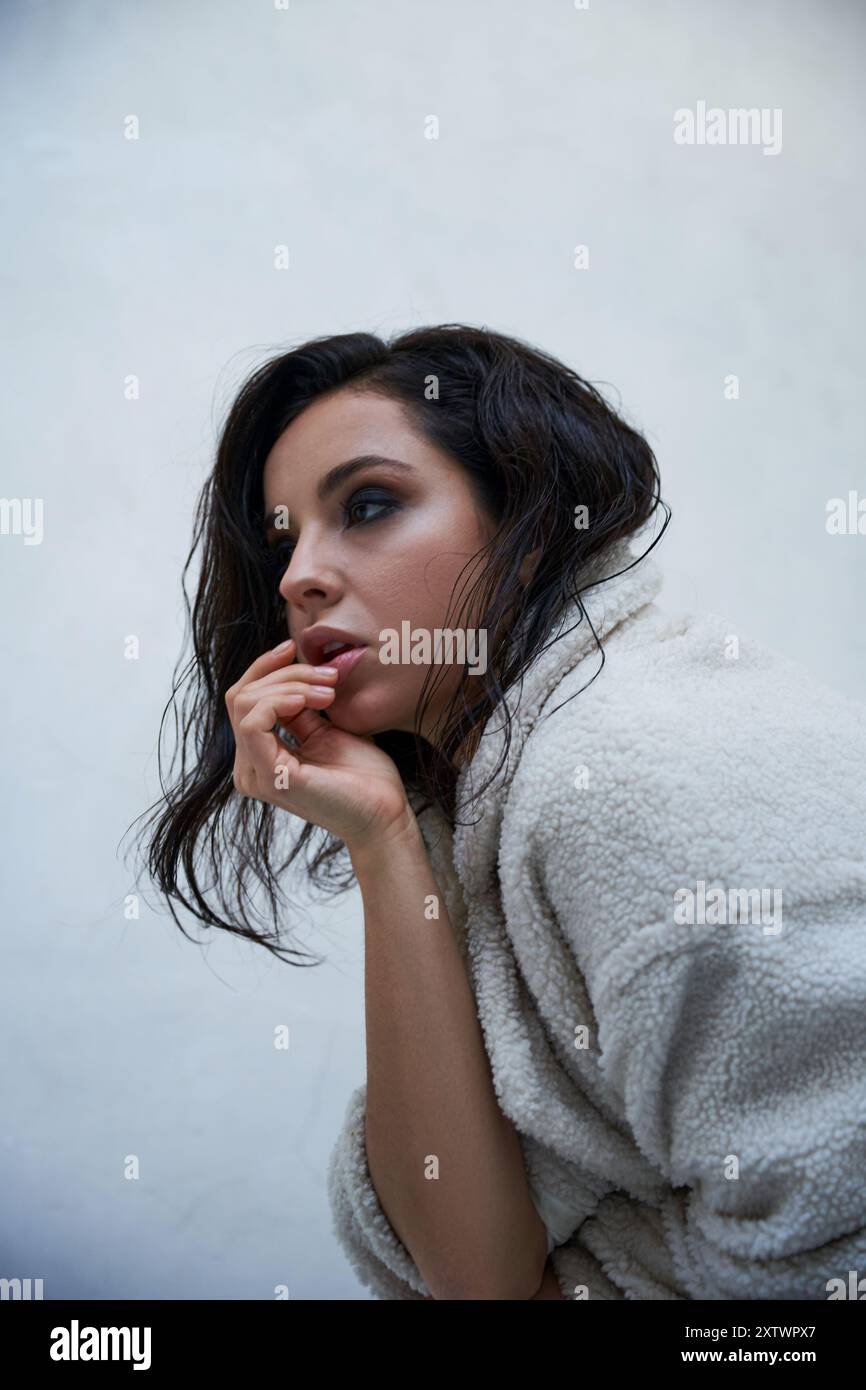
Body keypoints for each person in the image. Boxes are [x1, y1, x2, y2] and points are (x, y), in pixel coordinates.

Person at [132, 324, 866, 1300]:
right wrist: (379, 838)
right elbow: (472, 1272)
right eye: (281, 537)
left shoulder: (635, 768)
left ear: (523, 524)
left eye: (368, 504)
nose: (297, 577)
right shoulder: (489, 792)